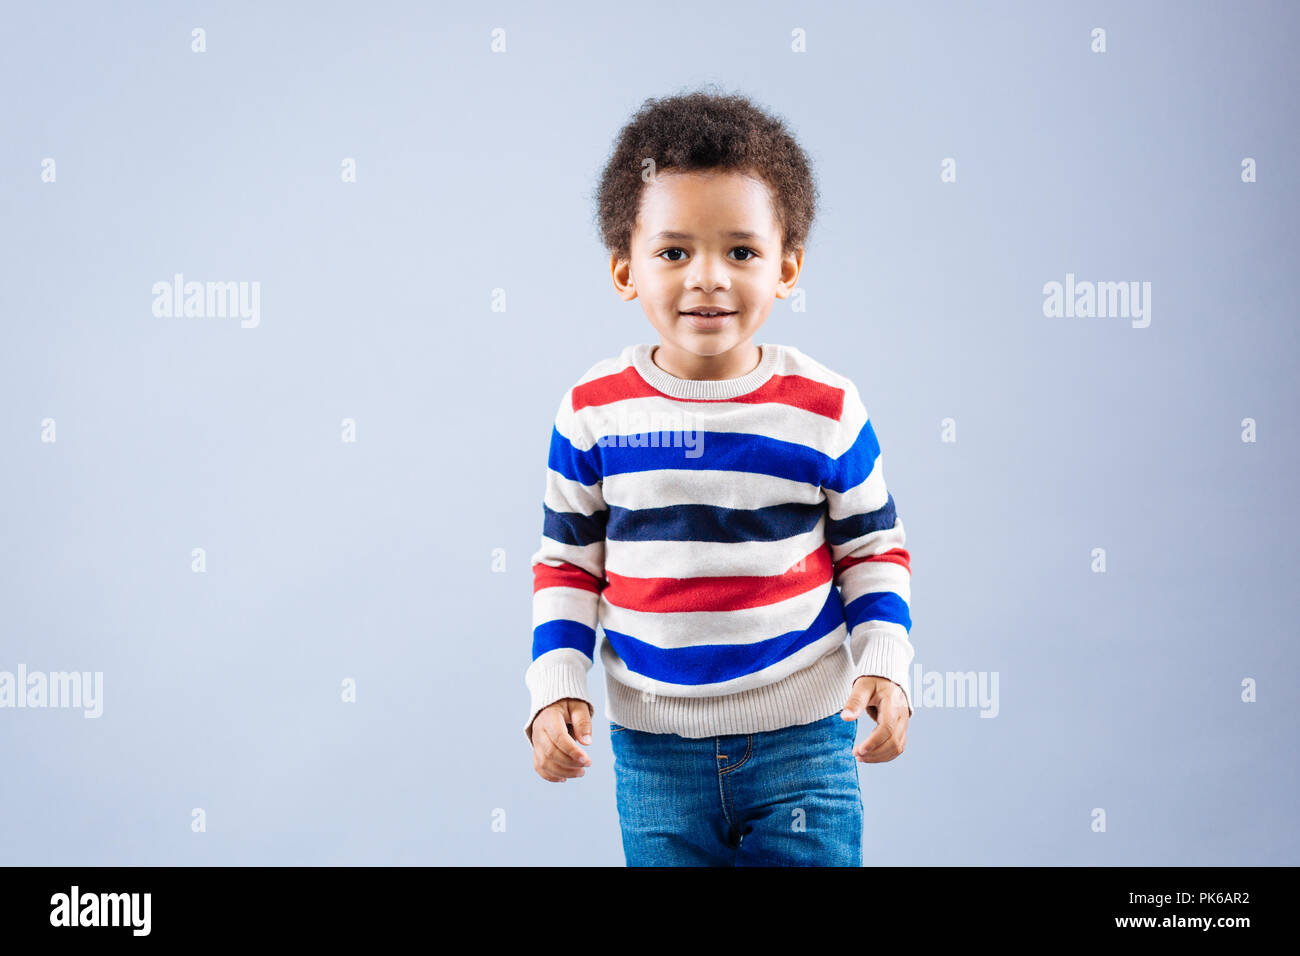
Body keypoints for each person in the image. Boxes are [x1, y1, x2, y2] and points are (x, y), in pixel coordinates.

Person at [523, 87, 914, 866]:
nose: (708, 277)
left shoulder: (826, 408)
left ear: (787, 267)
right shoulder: (592, 412)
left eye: (741, 251)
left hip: (802, 744)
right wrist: (555, 686)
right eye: (674, 252)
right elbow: (567, 562)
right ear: (624, 269)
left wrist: (886, 665)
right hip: (656, 756)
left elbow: (873, 549)